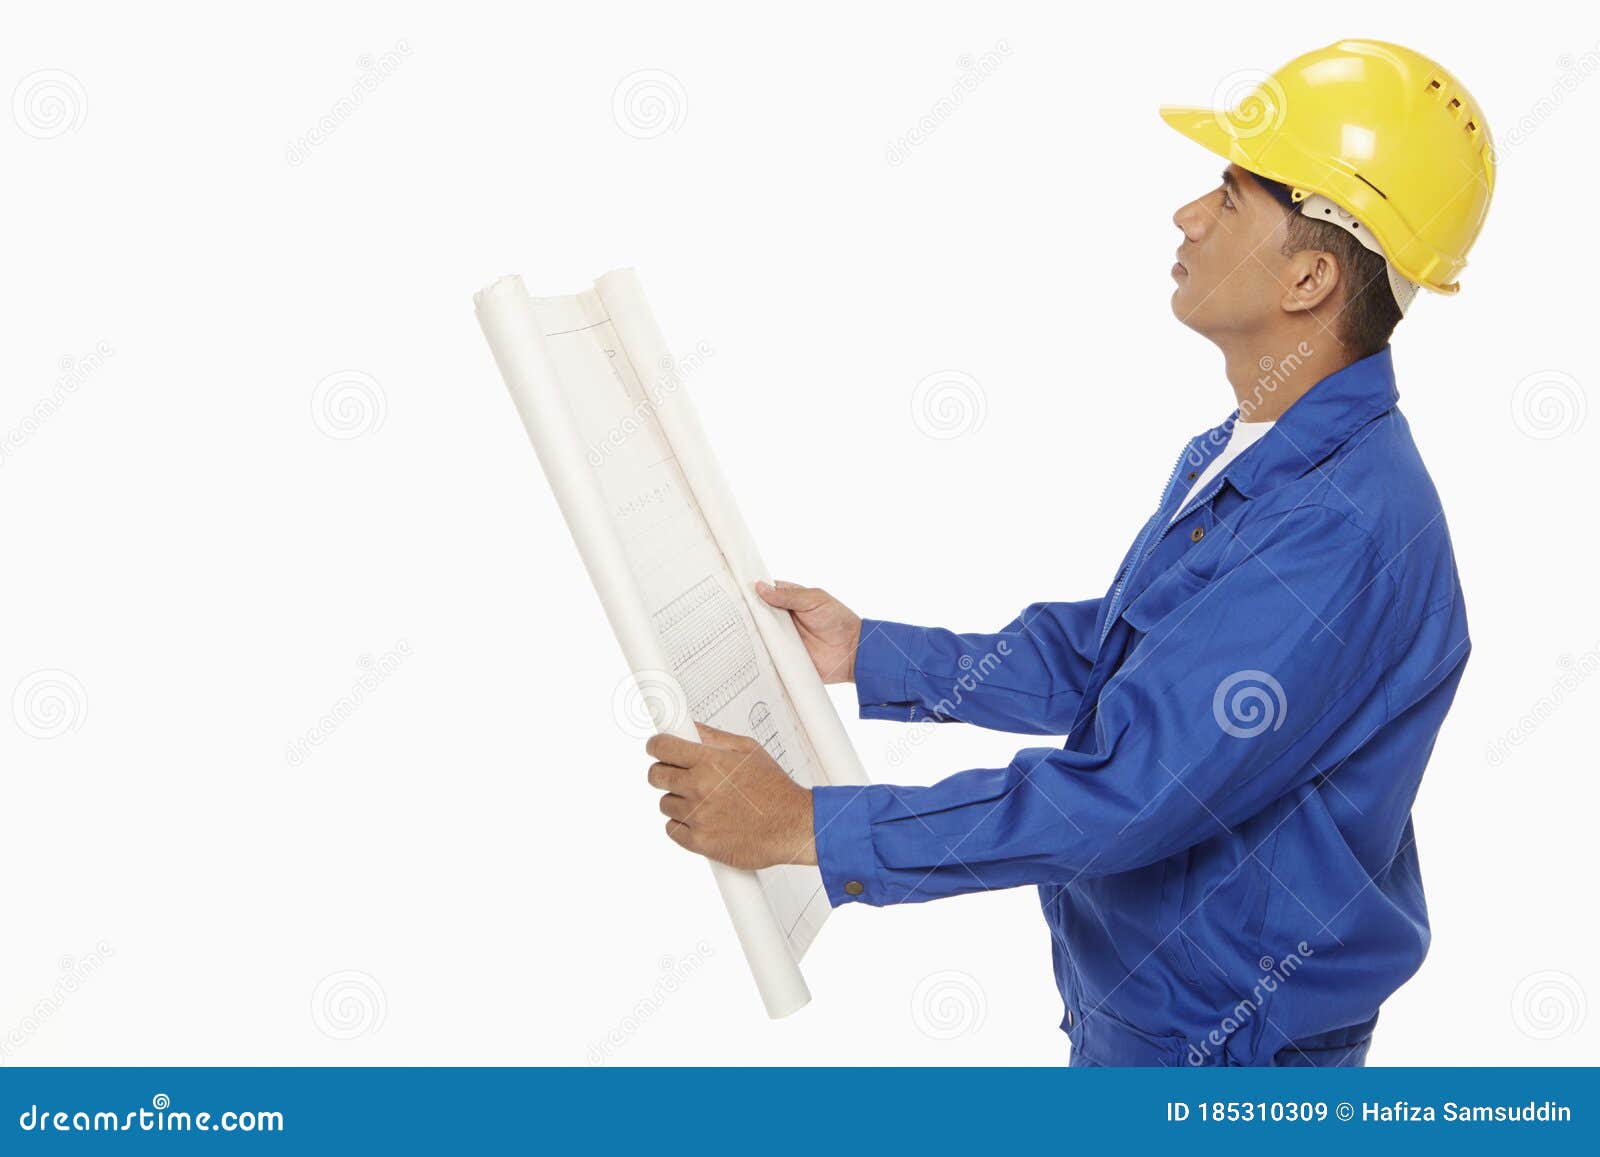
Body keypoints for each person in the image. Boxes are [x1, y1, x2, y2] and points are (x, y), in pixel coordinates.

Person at [644, 39, 1495, 1066]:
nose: (1188, 215)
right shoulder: (1258, 454)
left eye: (1230, 197)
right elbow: (1119, 659)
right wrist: (872, 652)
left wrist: (811, 828)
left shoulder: (1337, 529)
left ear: (1310, 275)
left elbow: (1125, 791)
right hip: (1150, 1024)